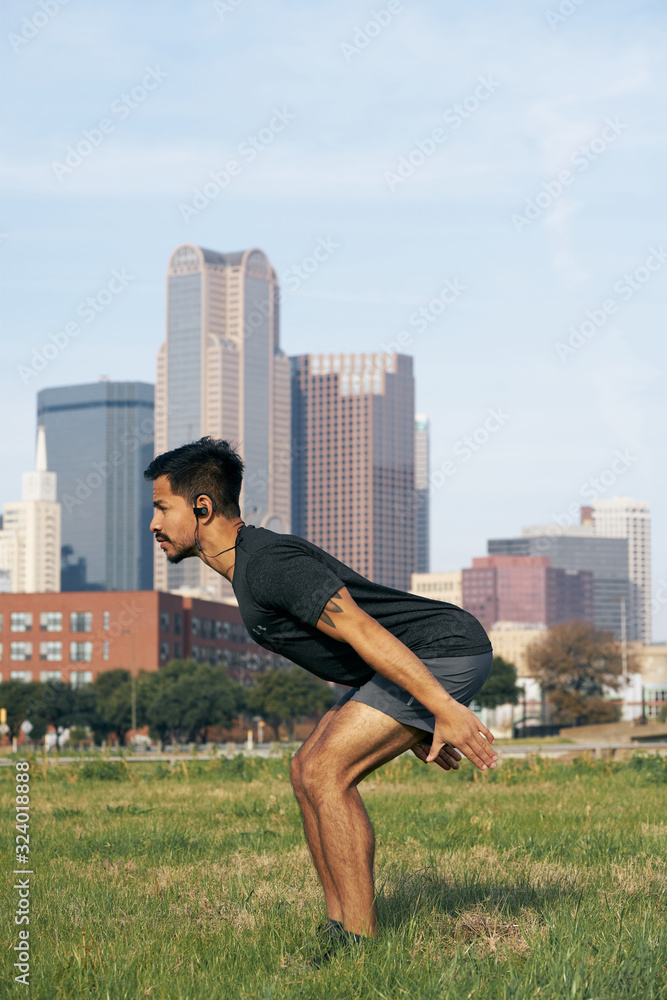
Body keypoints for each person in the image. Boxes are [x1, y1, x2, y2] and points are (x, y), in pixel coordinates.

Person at [144, 437, 498, 950]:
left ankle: (359, 942)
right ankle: (338, 929)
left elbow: (360, 628)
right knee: (304, 768)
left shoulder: (269, 563)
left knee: (326, 771)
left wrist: (442, 706)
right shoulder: (245, 567)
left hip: (445, 648)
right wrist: (412, 718)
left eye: (161, 508)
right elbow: (348, 646)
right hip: (413, 661)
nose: (153, 524)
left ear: (203, 507)